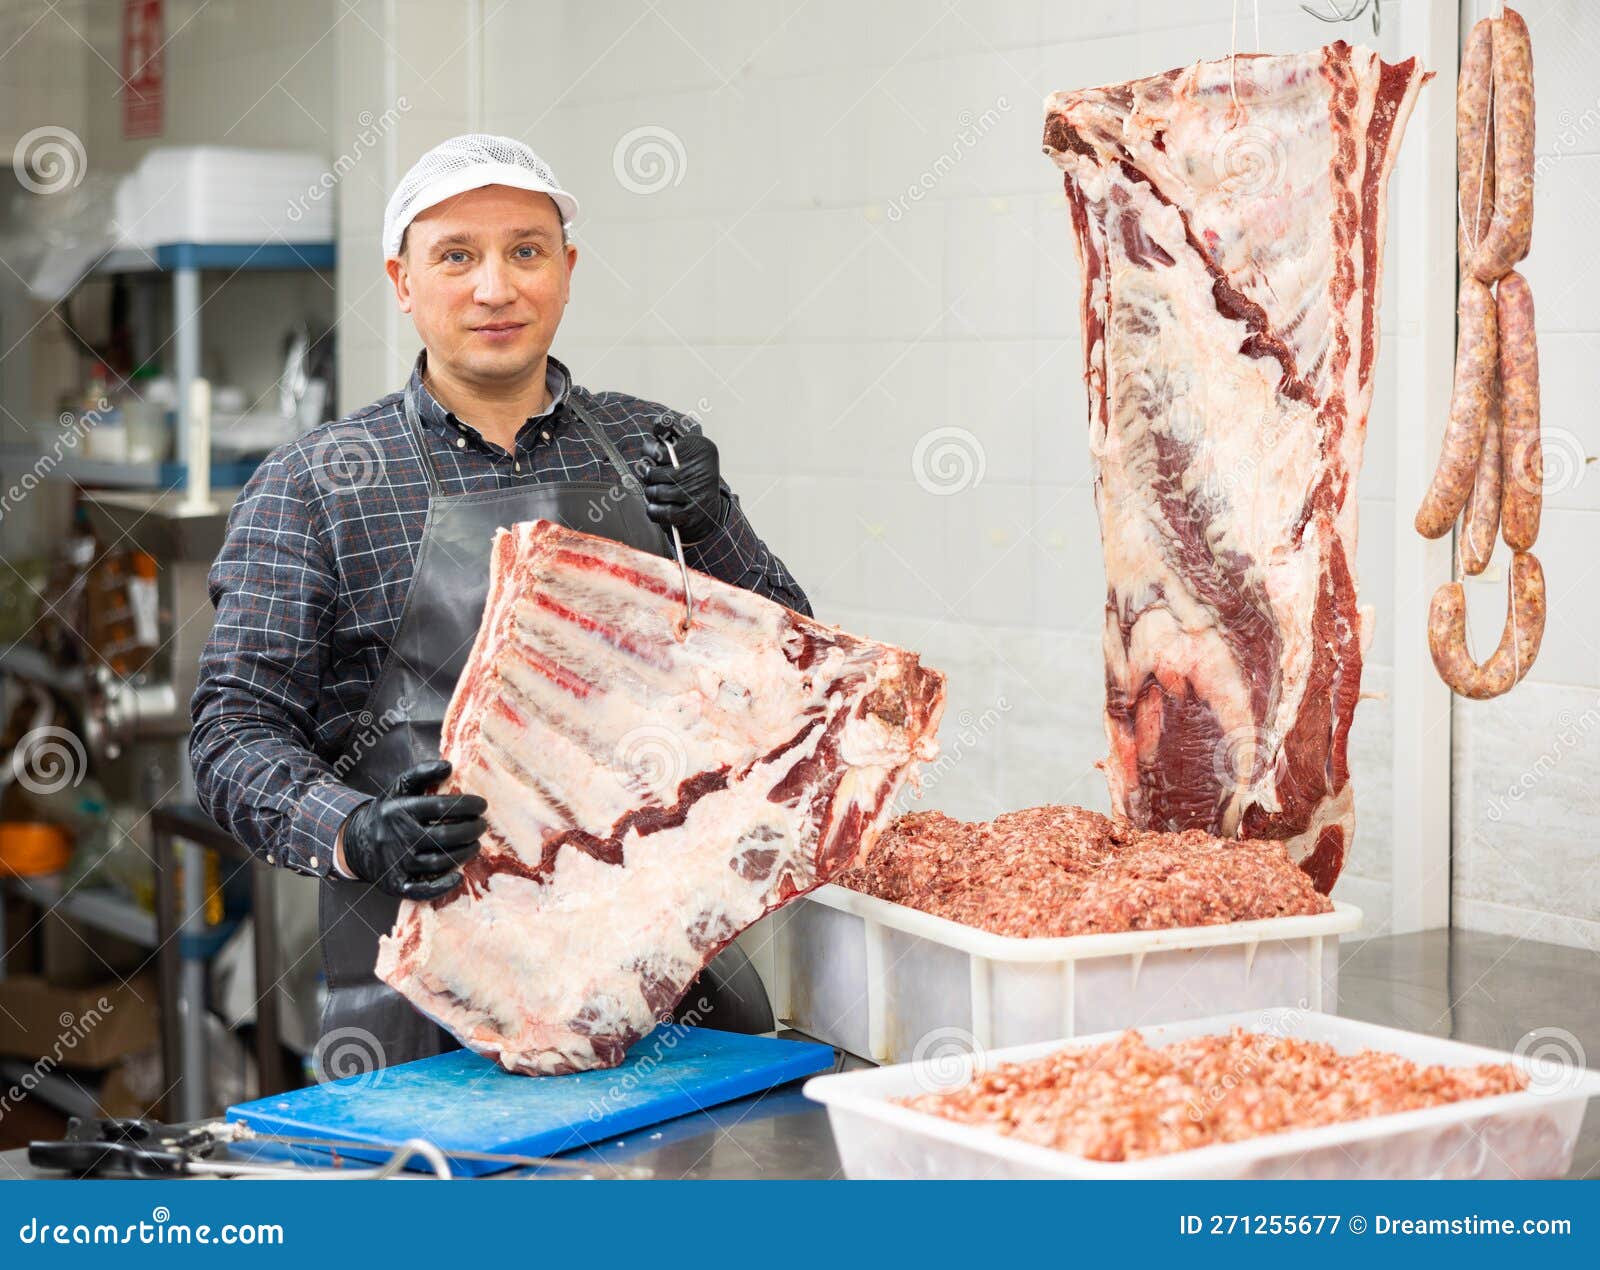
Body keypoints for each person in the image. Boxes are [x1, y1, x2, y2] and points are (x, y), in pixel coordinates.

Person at [190, 134, 809, 1071]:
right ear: (402, 281)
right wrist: (355, 832)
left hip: (664, 975)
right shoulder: (316, 483)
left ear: (567, 269)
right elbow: (230, 735)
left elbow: (792, 677)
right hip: (427, 995)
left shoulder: (653, 445)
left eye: (525, 251)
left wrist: (715, 522)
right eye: (456, 256)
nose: (495, 288)